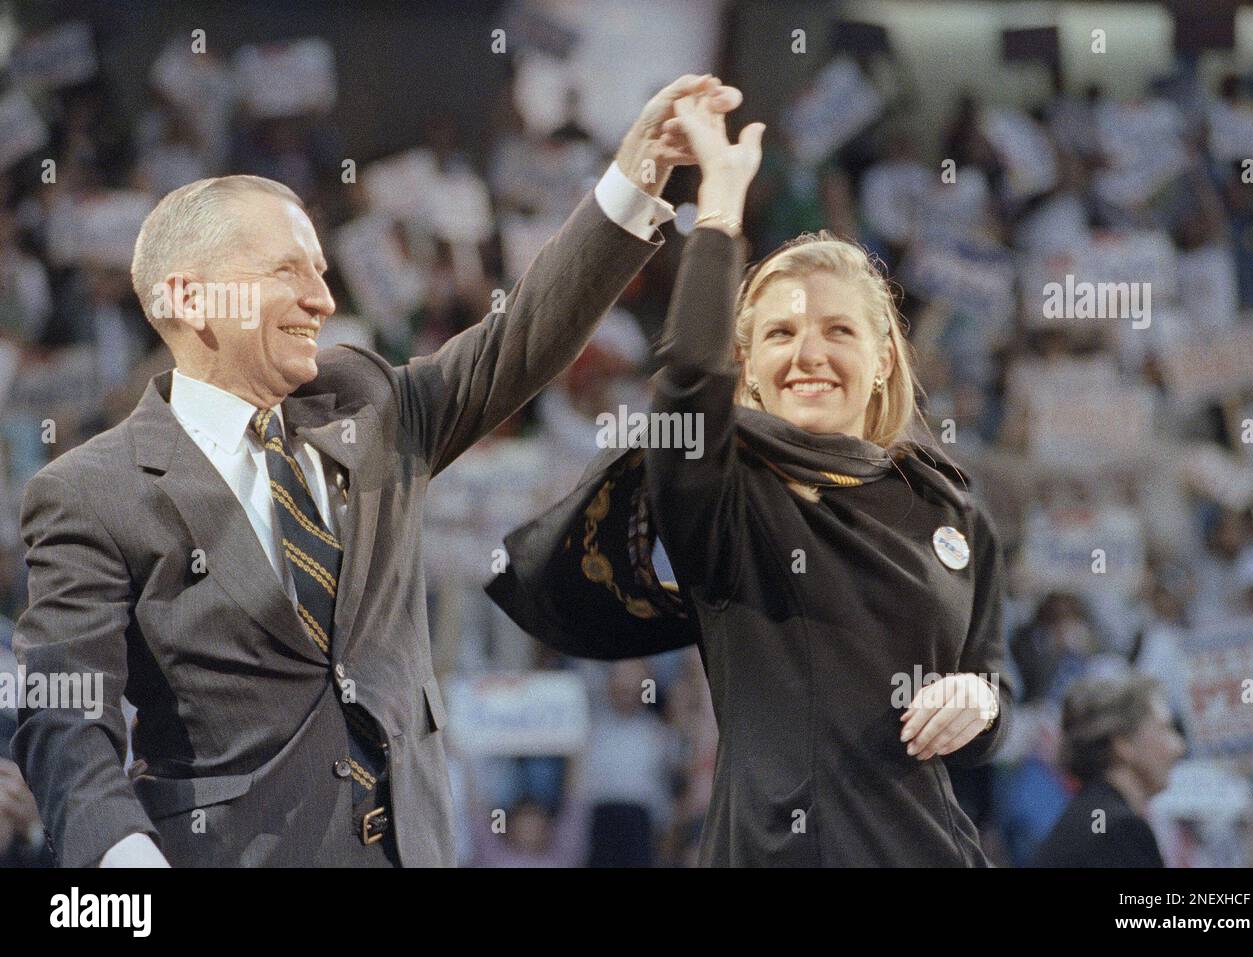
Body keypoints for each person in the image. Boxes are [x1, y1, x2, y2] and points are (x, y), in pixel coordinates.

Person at [11, 74, 744, 868]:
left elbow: (521, 338)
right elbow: (66, 714)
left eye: (323, 271)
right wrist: (125, 865)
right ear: (190, 296)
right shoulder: (91, 490)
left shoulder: (364, 401)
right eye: (289, 272)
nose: (323, 299)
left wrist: (634, 178)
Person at [489, 93, 1013, 866]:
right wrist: (720, 208)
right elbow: (688, 386)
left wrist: (981, 699)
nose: (809, 353)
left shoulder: (949, 503)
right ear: (751, 373)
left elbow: (993, 681)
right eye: (780, 333)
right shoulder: (728, 496)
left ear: (882, 363)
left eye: (838, 330)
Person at [1031, 673, 1184, 867]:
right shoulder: (1118, 831)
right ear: (1123, 744)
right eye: (1165, 729)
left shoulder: (1090, 817)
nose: (1179, 747)